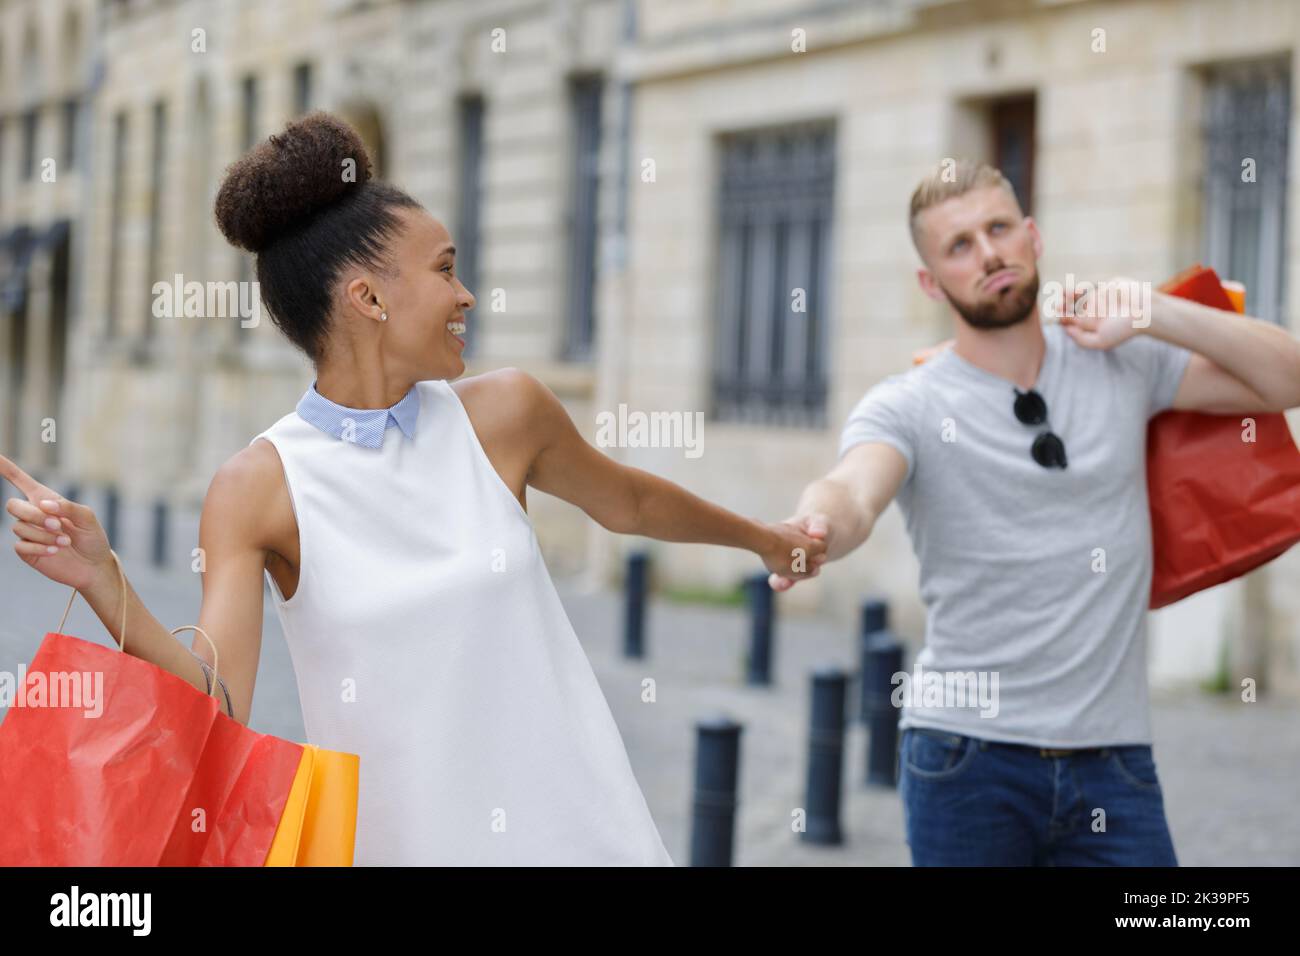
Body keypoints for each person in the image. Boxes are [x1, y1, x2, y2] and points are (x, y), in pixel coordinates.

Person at [1, 111, 826, 866]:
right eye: (445, 270)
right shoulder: (259, 486)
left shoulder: (504, 415)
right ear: (368, 298)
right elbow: (218, 706)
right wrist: (107, 582)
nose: (466, 294)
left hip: (579, 828)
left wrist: (764, 537)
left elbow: (630, 502)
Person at [771, 159, 1300, 866]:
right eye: (958, 245)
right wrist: (818, 526)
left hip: (1114, 762)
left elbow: (1286, 379)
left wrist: (1152, 309)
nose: (987, 253)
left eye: (997, 229)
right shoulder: (912, 403)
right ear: (932, 282)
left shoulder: (1123, 361)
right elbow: (852, 488)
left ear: (1033, 236)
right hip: (964, 761)